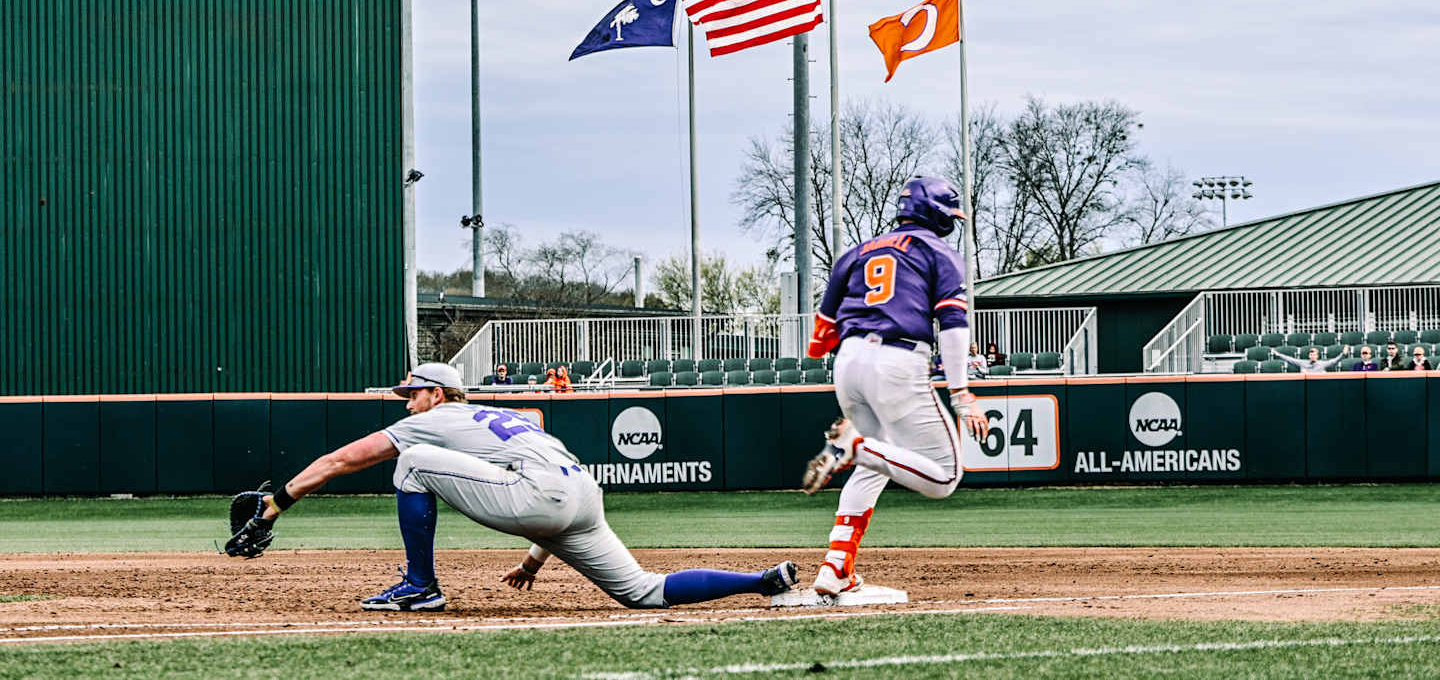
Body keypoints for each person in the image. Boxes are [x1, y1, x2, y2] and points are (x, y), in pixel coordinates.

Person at [224, 362, 796, 610]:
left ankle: (420, 586)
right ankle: (763, 581)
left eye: (413, 392)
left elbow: (343, 459)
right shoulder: (511, 418)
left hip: (539, 494)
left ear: (438, 395)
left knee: (412, 463)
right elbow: (555, 491)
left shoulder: (431, 420)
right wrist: (533, 562)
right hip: (581, 495)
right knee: (642, 591)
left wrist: (277, 504)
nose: (407, 401)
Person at [800, 175, 988, 598]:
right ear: (937, 213)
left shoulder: (854, 253)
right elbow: (955, 326)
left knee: (875, 467)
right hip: (898, 358)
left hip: (848, 363)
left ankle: (835, 569)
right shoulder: (939, 252)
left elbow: (819, 340)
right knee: (944, 477)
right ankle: (855, 445)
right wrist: (961, 396)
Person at [1273, 346, 1346, 373]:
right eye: (1311, 354)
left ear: (1317, 356)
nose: (1312, 356)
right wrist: (1279, 355)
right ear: (1309, 356)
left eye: (1314, 355)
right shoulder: (1302, 363)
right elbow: (1291, 360)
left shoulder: (1322, 363)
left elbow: (1334, 361)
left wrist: (1343, 354)